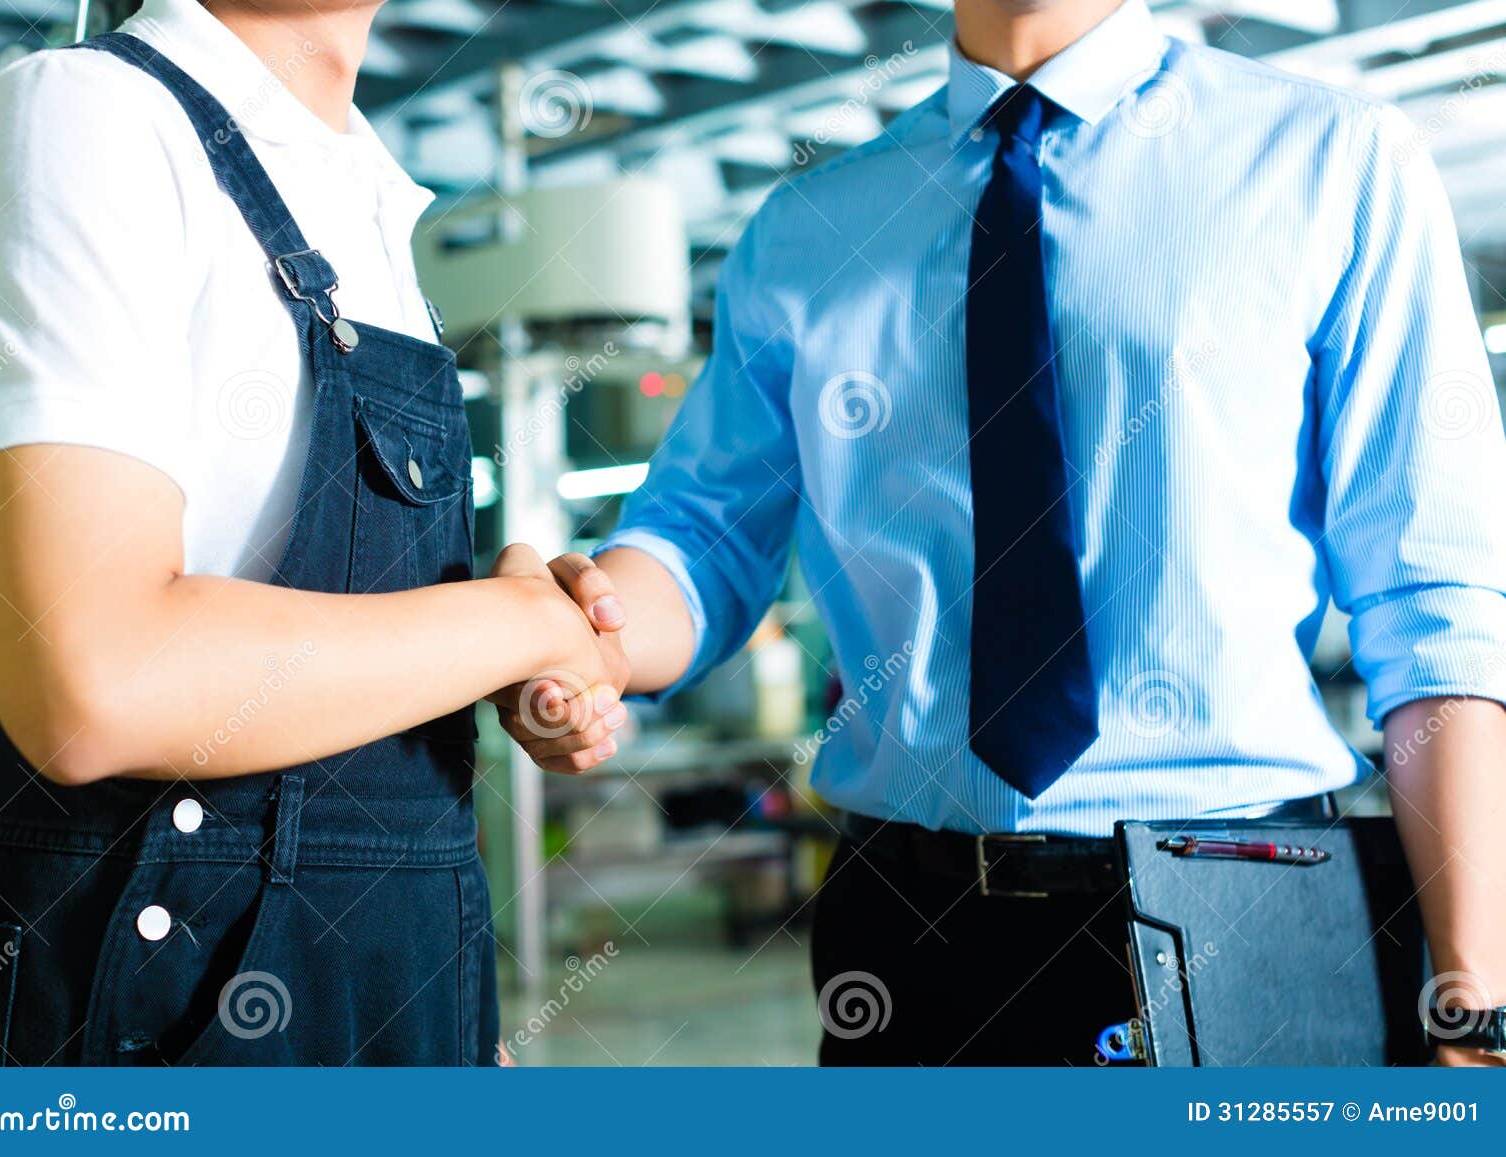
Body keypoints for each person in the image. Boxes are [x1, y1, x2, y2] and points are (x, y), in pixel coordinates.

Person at [496, 0, 1506, 1066]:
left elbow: (1433, 598)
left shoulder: (1330, 158)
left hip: (1239, 905)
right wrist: (577, 636)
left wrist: (1473, 1002)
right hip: (907, 930)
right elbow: (698, 541)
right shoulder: (809, 229)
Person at [0, 0, 626, 1066]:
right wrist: (512, 619)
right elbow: (96, 680)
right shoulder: (89, 112)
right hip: (148, 1000)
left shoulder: (359, 195)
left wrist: (439, 1002)